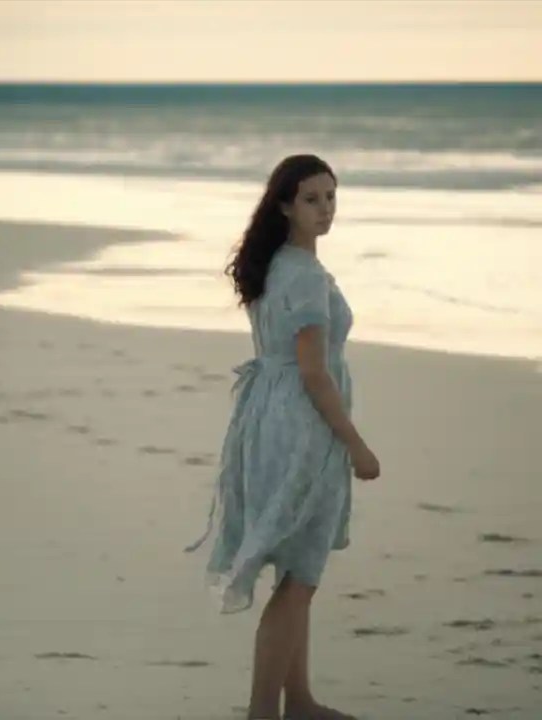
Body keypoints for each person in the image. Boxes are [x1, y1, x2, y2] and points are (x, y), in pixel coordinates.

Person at [184, 154, 381, 720]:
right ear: (285, 205)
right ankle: (263, 712)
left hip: (265, 420)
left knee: (296, 567)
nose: (326, 210)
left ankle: (300, 700)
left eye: (331, 197)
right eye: (313, 199)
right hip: (304, 429)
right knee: (300, 578)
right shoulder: (306, 277)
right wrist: (356, 444)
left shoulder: (271, 264)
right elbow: (316, 374)